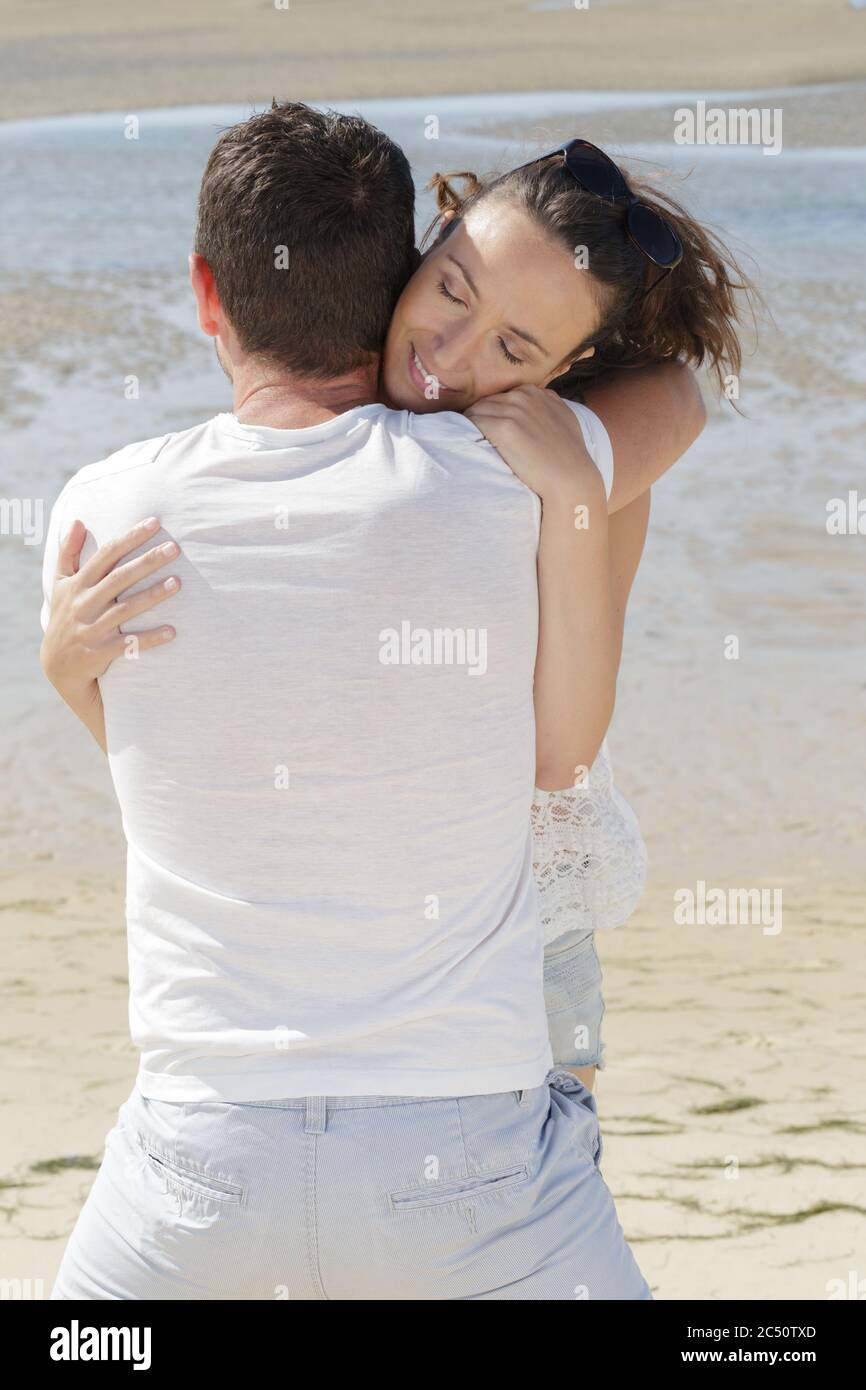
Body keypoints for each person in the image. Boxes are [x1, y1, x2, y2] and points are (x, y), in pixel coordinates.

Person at [40, 100, 654, 1300]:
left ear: (206, 293)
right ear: (397, 286)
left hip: (195, 1174)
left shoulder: (96, 517)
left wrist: (67, 677)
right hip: (470, 1171)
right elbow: (674, 400)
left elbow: (190, 762)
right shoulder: (517, 475)